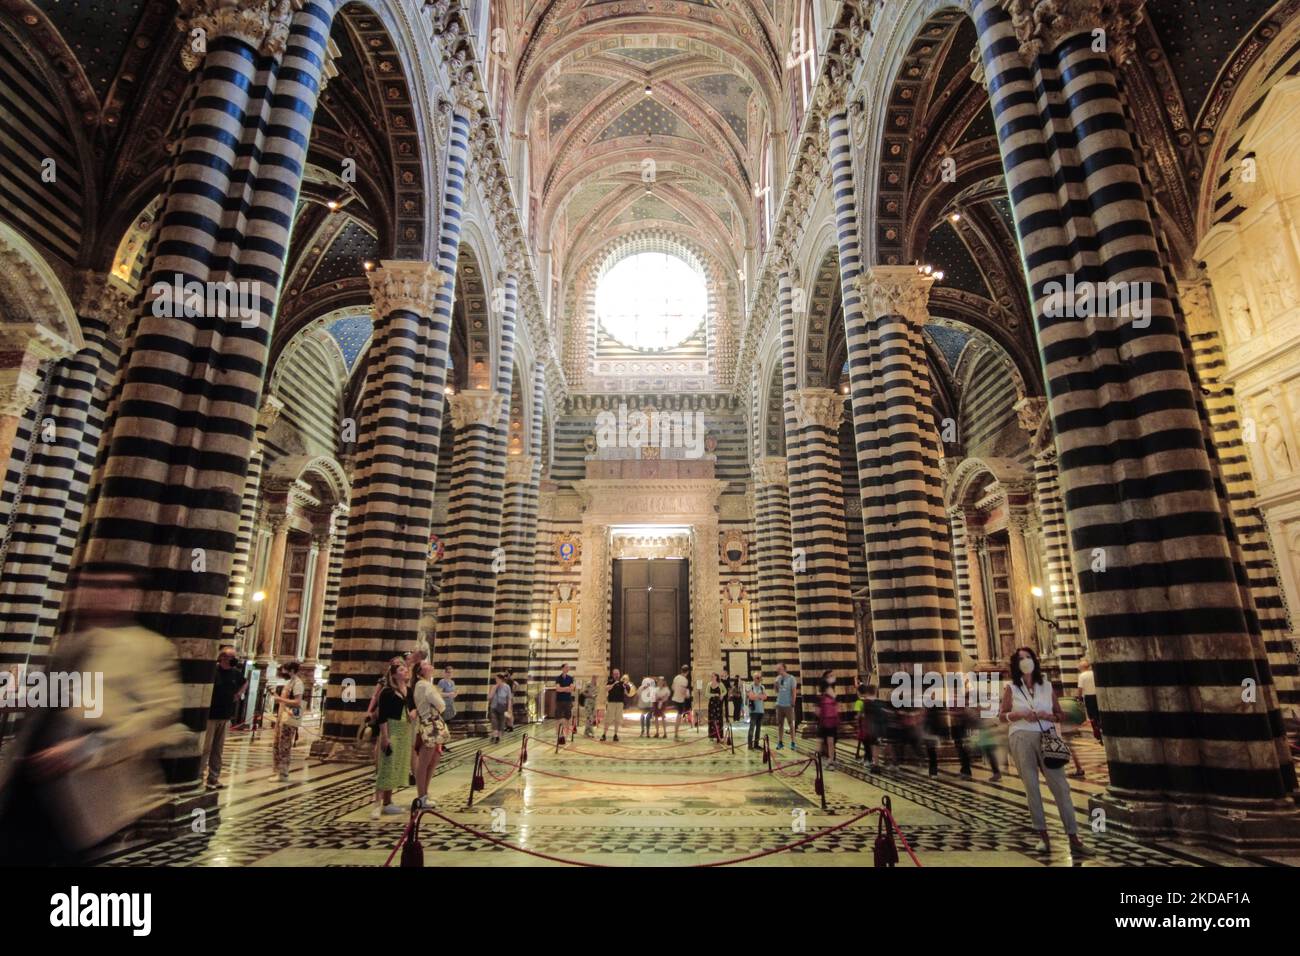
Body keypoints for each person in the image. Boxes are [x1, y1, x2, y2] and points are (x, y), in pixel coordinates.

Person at [0, 565, 186, 865]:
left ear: (133, 596)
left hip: (82, 794)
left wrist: (85, 748)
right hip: (24, 781)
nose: (105, 594)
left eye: (116, 586)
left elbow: (160, 716)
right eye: (94, 585)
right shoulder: (72, 644)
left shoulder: (150, 648)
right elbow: (50, 700)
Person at [999, 646, 1088, 855]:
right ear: (1016, 663)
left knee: (1061, 787)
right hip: (1020, 737)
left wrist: (1049, 716)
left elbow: (1060, 714)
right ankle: (1043, 837)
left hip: (1047, 737)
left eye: (1028, 657)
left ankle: (1074, 836)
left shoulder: (1046, 686)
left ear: (1034, 660)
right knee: (1032, 788)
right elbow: (1002, 716)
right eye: (1021, 658)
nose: (1025, 661)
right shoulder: (1012, 688)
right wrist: (1019, 714)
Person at [202, 645, 248, 788]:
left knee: (218, 749)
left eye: (235, 657)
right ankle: (198, 777)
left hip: (225, 715)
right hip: (211, 715)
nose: (234, 660)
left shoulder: (235, 673)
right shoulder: (213, 671)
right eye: (231, 657)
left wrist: (238, 694)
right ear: (222, 657)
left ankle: (213, 778)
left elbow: (245, 682)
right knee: (205, 748)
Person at [371, 661, 412, 819]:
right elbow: (382, 716)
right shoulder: (387, 692)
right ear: (394, 674)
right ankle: (377, 803)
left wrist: (413, 712)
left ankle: (388, 802)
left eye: (405, 669)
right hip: (392, 730)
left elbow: (411, 707)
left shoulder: (408, 690)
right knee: (386, 767)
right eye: (402, 669)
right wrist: (385, 737)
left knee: (396, 767)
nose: (406, 671)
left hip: (405, 732)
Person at [412, 660, 449, 809]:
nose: (430, 665)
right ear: (420, 671)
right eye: (426, 664)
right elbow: (441, 704)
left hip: (432, 725)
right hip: (428, 726)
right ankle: (421, 796)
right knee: (424, 763)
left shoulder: (426, 684)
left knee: (433, 760)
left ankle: (425, 794)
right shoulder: (423, 685)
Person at [270, 661, 304, 782]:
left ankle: (283, 773)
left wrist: (280, 699)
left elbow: (297, 702)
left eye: (285, 669)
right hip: (282, 717)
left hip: (288, 718)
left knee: (284, 745)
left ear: (292, 670)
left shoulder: (298, 683)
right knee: (277, 744)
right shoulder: (290, 682)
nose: (283, 672)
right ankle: (277, 771)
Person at [772, 663, 797, 750]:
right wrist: (775, 685)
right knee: (780, 724)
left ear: (784, 669)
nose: (778, 670)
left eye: (779, 668)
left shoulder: (791, 678)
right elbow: (776, 691)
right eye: (777, 669)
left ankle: (793, 742)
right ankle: (780, 742)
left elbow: (794, 691)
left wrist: (793, 702)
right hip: (779, 704)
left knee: (791, 724)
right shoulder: (778, 678)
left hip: (788, 705)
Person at [817, 675, 840, 768]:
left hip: (827, 722)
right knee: (828, 742)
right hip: (828, 723)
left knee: (826, 742)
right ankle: (828, 759)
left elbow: (817, 712)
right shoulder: (828, 696)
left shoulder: (825, 697)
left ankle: (827, 760)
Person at [601, 669, 631, 742]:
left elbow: (627, 693)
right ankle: (604, 734)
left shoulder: (623, 683)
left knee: (617, 720)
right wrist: (614, 684)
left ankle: (615, 735)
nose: (616, 675)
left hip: (620, 703)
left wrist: (624, 686)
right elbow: (606, 689)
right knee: (608, 719)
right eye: (615, 674)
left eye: (617, 674)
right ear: (613, 675)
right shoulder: (610, 681)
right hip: (611, 703)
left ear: (619, 674)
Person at [1077, 659, 1101, 742]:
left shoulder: (1082, 675)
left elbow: (1080, 688)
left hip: (1088, 697)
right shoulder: (1093, 673)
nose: (1078, 667)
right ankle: (1100, 730)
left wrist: (1079, 697)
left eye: (1079, 666)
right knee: (1098, 713)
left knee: (1092, 716)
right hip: (1097, 696)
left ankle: (1097, 734)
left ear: (1082, 667)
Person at [488, 673, 513, 743]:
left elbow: (509, 698)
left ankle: (498, 736)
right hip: (494, 706)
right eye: (496, 679)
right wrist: (494, 688)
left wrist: (509, 708)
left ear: (501, 679)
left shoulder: (507, 687)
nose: (496, 680)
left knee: (501, 721)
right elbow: (489, 697)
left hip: (503, 707)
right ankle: (495, 736)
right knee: (494, 721)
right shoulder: (494, 687)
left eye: (497, 679)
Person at [745, 671, 766, 749]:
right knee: (752, 728)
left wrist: (757, 696)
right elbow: (751, 697)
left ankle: (756, 744)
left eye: (760, 678)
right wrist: (759, 696)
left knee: (758, 729)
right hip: (753, 711)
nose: (759, 679)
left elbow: (765, 696)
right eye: (757, 678)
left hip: (761, 710)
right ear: (754, 678)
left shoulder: (762, 687)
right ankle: (750, 745)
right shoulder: (750, 686)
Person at [554, 664, 576, 740]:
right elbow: (557, 689)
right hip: (559, 700)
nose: (568, 669)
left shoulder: (570, 678)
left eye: (568, 667)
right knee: (558, 718)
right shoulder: (558, 678)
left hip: (567, 700)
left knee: (567, 718)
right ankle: (558, 735)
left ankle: (567, 735)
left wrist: (563, 689)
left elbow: (572, 689)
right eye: (566, 667)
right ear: (562, 668)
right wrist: (566, 688)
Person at [671, 666, 691, 739]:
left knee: (678, 716)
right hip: (680, 700)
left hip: (674, 698)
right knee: (678, 717)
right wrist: (687, 695)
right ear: (687, 672)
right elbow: (683, 692)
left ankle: (676, 733)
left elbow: (672, 687)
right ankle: (676, 733)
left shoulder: (676, 677)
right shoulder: (685, 680)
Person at [706, 673, 726, 741]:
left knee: (719, 719)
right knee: (712, 719)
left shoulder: (720, 684)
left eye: (713, 676)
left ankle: (719, 735)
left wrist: (722, 695)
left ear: (716, 677)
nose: (711, 677)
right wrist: (714, 694)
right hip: (712, 704)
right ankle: (712, 735)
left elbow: (725, 691)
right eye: (711, 676)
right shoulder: (709, 684)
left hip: (718, 704)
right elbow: (706, 694)